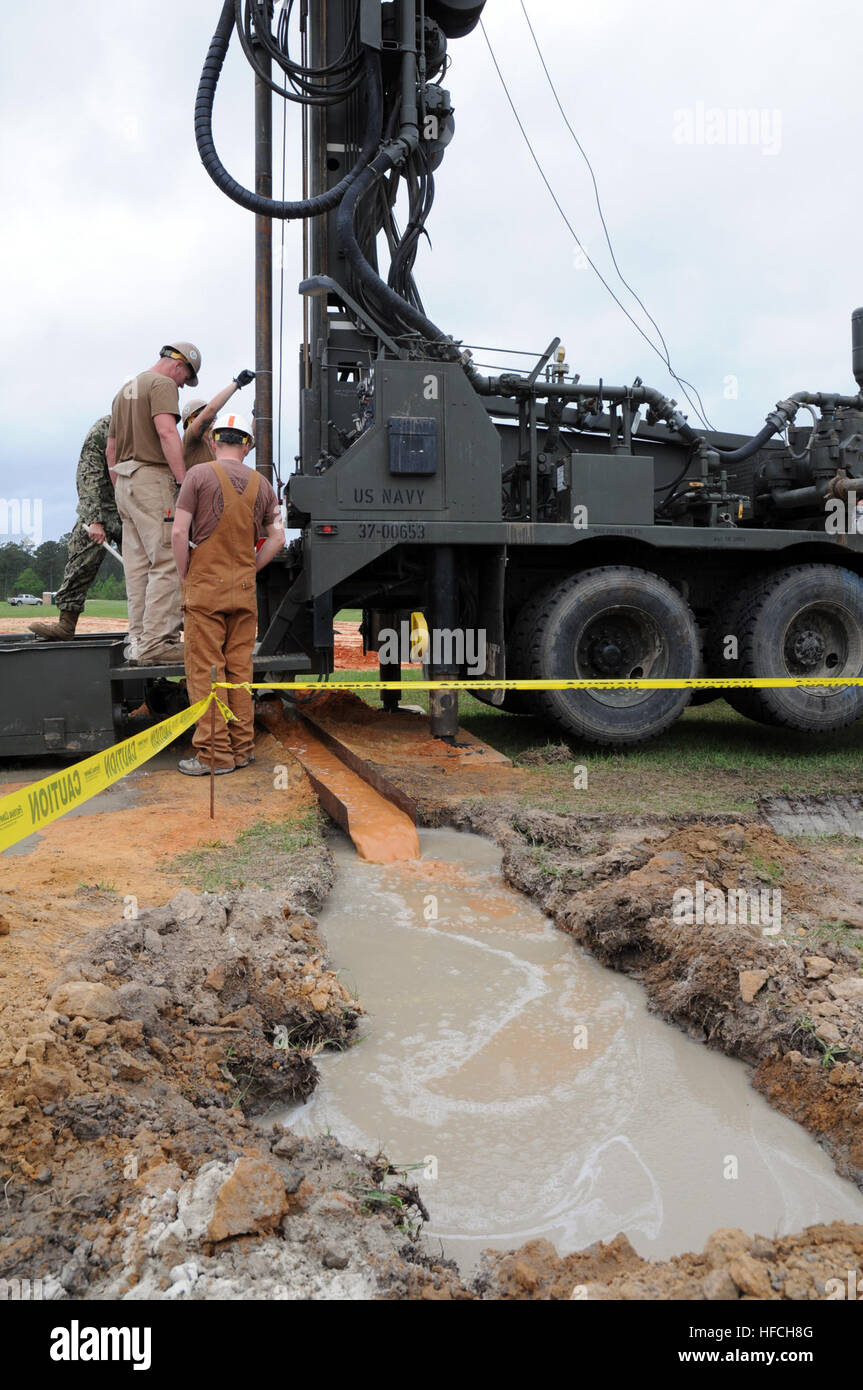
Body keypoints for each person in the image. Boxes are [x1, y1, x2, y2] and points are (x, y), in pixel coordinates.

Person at [171, 410, 284, 775]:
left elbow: (178, 533)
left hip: (206, 590)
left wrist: (186, 576)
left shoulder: (197, 475)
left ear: (213, 440)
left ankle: (214, 756)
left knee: (206, 672)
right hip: (244, 592)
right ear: (246, 445)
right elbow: (278, 537)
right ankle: (241, 749)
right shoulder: (262, 484)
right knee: (239, 671)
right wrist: (251, 567)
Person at [106, 341, 201, 665]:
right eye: (184, 380)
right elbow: (166, 432)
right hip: (151, 479)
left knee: (137, 568)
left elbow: (111, 447)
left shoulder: (126, 389)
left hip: (125, 481)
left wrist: (121, 486)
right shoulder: (161, 384)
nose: (181, 386)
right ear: (179, 366)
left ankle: (139, 641)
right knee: (169, 560)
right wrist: (184, 480)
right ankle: (158, 644)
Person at [29, 415, 121, 642]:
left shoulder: (152, 428)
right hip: (104, 505)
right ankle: (66, 625)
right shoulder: (105, 427)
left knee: (152, 569)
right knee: (80, 561)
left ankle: (161, 628)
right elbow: (89, 473)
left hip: (135, 507)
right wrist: (95, 519)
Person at [182, 369, 256, 471]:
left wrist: (256, 414)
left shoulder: (217, 443)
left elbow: (245, 442)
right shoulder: (190, 440)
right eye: (200, 414)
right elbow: (211, 410)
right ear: (190, 422)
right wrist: (237, 383)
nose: (212, 417)